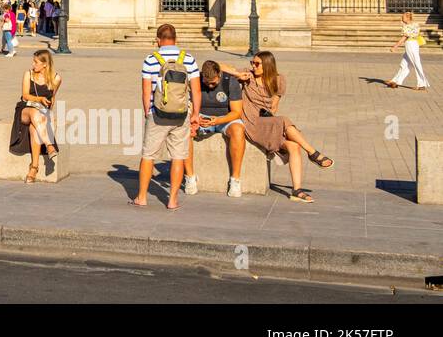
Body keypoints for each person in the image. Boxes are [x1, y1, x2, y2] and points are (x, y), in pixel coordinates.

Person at [220, 51, 333, 203]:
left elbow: (274, 107)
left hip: (267, 123)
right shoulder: (248, 76)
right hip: (251, 123)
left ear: (267, 65)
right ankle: (313, 153)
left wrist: (270, 118)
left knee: (293, 146)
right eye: (252, 63)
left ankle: (297, 190)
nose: (253, 66)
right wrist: (237, 74)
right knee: (284, 120)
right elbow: (218, 66)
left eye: (257, 64)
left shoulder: (278, 80)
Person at [132, 23, 202, 210]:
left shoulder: (150, 60)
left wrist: (148, 111)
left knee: (148, 155)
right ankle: (172, 200)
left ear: (158, 40)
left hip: (158, 114)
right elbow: (196, 89)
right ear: (176, 39)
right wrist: (195, 113)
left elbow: (146, 91)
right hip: (181, 114)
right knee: (178, 157)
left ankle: (142, 197)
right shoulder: (188, 59)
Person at [185, 59, 248, 197]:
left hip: (225, 118)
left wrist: (217, 121)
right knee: (184, 131)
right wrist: (194, 117)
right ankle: (190, 177)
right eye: (207, 83)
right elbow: (187, 106)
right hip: (201, 116)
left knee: (238, 130)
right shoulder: (195, 80)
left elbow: (236, 112)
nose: (210, 85)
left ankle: (235, 179)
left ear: (219, 74)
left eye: (213, 82)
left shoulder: (230, 82)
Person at [11, 49, 61, 182]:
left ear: (45, 64)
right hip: (25, 110)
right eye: (33, 61)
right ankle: (49, 145)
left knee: (35, 130)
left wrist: (49, 112)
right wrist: (39, 100)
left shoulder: (56, 79)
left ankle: (34, 168)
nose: (33, 65)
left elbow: (53, 97)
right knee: (33, 113)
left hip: (41, 113)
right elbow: (25, 95)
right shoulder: (28, 74)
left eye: (36, 62)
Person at [388, 11, 430, 91]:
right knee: (404, 64)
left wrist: (395, 46)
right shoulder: (416, 24)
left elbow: (404, 38)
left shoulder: (406, 26)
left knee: (416, 63)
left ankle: (421, 84)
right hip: (415, 43)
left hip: (410, 44)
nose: (401, 19)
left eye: (403, 17)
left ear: (407, 18)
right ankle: (396, 81)